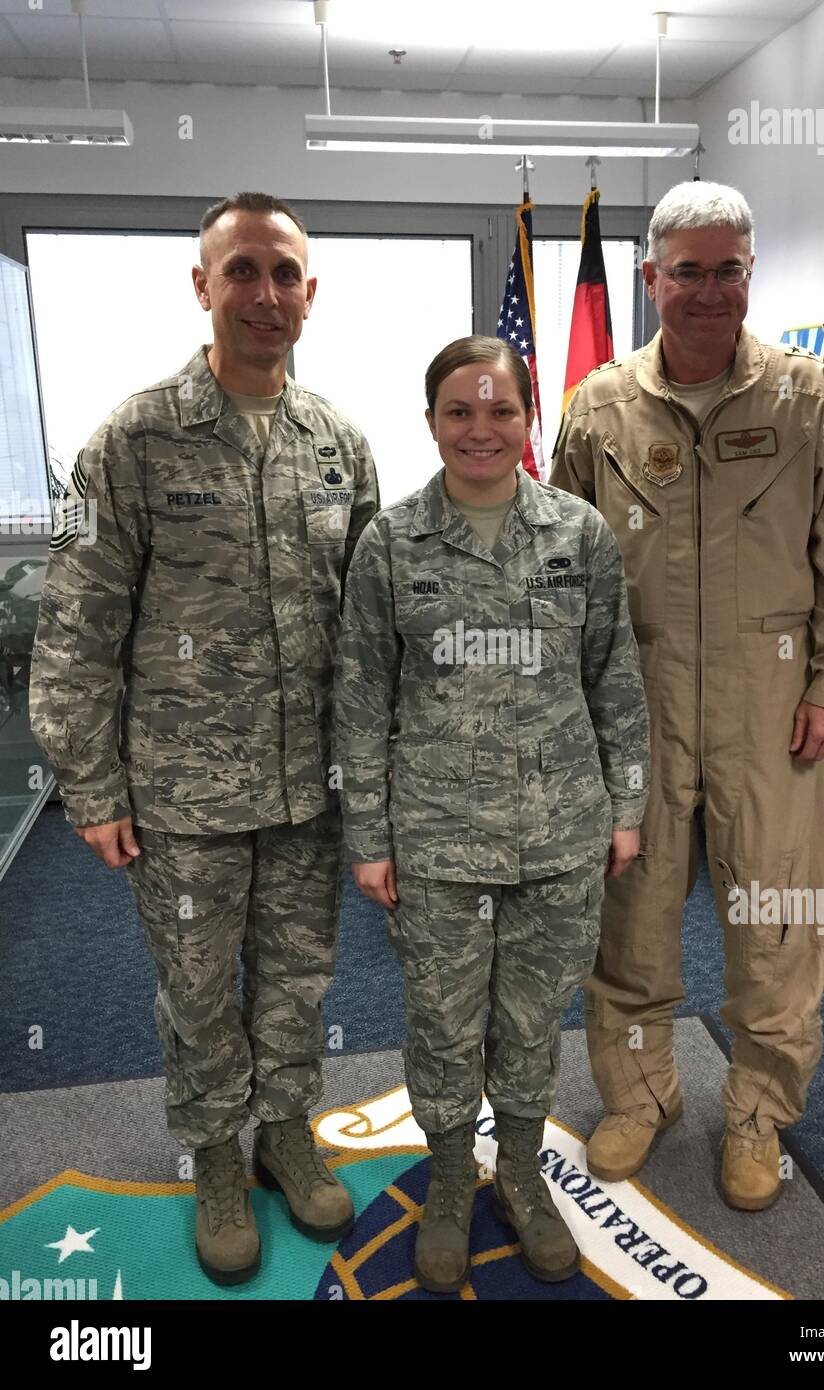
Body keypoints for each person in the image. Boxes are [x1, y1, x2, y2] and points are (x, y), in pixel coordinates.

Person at [30, 191, 379, 1284]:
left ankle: (285, 1131)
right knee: (195, 988)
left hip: (308, 786)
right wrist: (88, 784)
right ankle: (216, 1156)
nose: (264, 294)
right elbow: (76, 619)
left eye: (283, 273)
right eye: (242, 272)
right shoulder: (127, 443)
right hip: (182, 789)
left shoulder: (340, 444)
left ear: (309, 294)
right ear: (202, 285)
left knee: (296, 980)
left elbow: (368, 631)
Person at [550, 181, 824, 1211]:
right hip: (636, 705)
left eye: (725, 269)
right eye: (685, 271)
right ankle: (640, 1092)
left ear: (750, 274)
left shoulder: (801, 396)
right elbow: (558, 563)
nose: (705, 291)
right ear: (650, 278)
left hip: (770, 707)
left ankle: (754, 1113)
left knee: (776, 923)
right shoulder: (596, 407)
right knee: (632, 919)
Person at [333, 335, 649, 1292]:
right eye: (460, 412)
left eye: (500, 410)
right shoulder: (391, 543)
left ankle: (518, 1172)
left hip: (560, 835)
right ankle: (448, 1182)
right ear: (431, 421)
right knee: (440, 1025)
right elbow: (360, 697)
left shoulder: (580, 533)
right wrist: (368, 837)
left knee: (526, 1023)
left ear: (528, 417)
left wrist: (626, 806)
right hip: (435, 844)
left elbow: (616, 679)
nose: (481, 430)